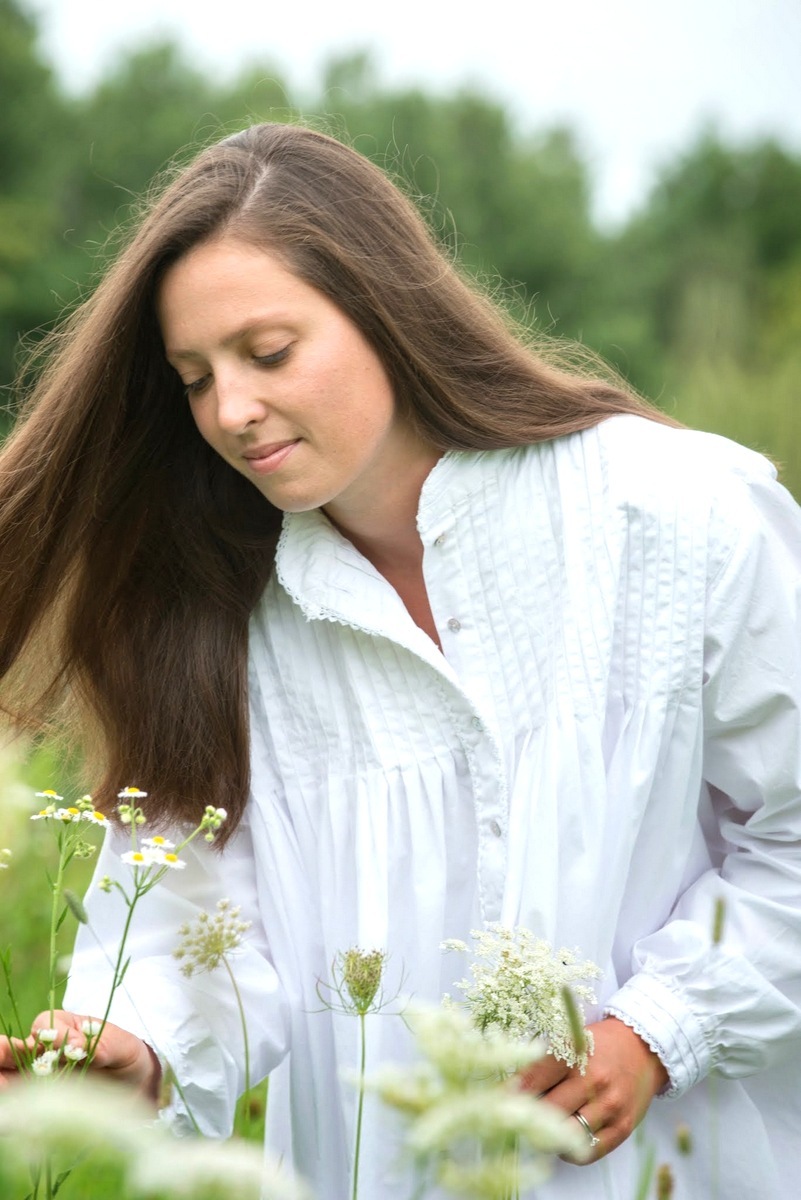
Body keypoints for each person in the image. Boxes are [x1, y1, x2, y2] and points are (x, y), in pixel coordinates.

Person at [1, 122, 800, 1200]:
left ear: (386, 308)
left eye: (268, 353)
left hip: (679, 1171)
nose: (231, 410)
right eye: (194, 378)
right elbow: (196, 923)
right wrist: (139, 1044)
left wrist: (657, 1030)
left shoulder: (677, 511)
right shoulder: (213, 618)